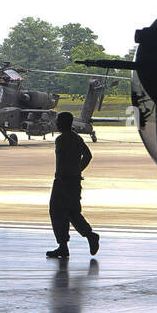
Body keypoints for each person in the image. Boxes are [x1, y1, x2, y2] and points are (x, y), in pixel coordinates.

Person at [46, 110, 100, 258]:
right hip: (74, 181)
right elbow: (88, 155)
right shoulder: (77, 138)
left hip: (63, 181)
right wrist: (77, 170)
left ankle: (63, 245)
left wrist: (67, 174)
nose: (56, 123)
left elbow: (63, 162)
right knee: (72, 212)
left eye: (58, 121)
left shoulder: (61, 139)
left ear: (63, 123)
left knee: (57, 212)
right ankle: (89, 235)